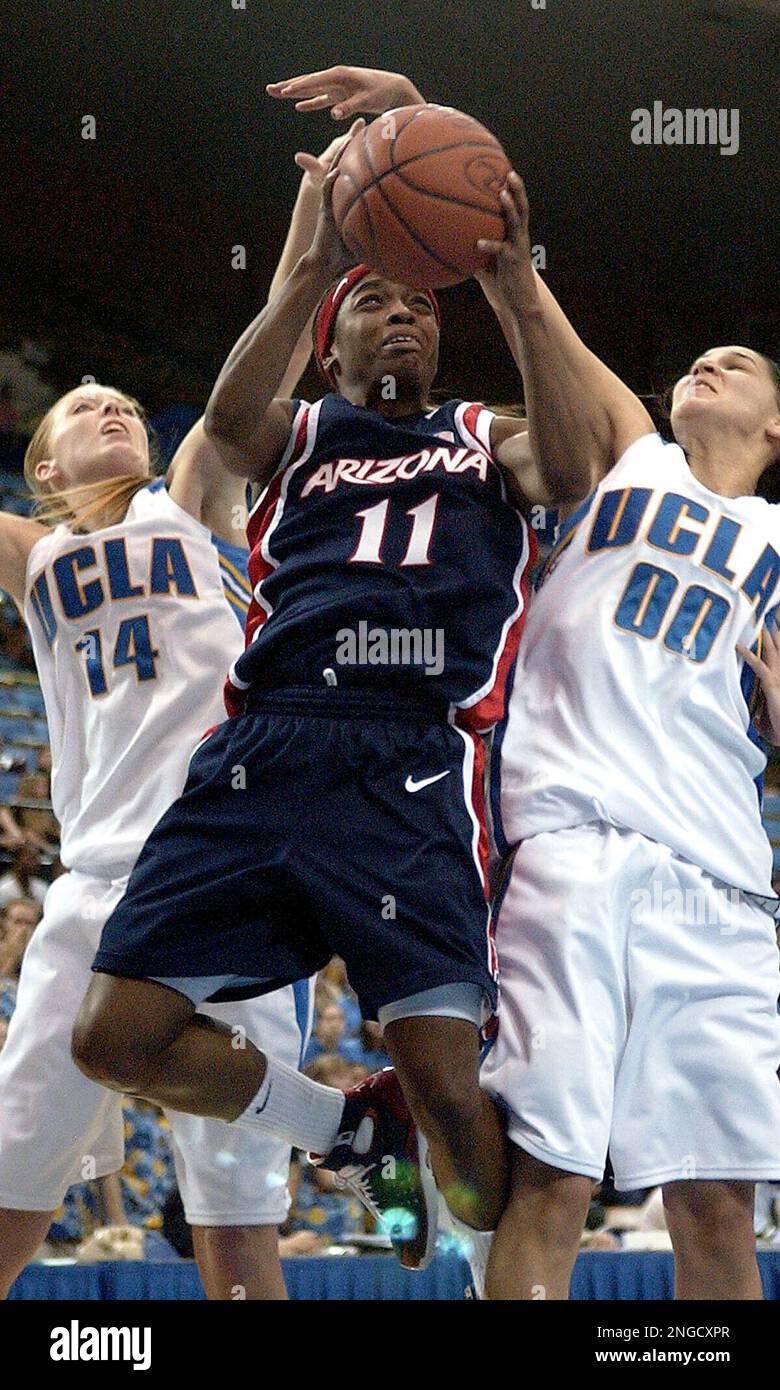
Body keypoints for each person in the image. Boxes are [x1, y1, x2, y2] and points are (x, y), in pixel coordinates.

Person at [71, 81, 591, 1271]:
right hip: (265, 750)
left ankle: (479, 1260)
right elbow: (227, 409)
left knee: (455, 1101)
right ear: (333, 339)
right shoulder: (291, 435)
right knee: (116, 1036)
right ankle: (349, 1134)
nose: (403, 314)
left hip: (414, 758)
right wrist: (310, 266)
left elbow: (570, 467)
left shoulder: (483, 431)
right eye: (377, 302)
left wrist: (510, 289)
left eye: (420, 304)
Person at [472, 172, 780, 1300]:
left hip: (723, 879)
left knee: (718, 1207)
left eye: (737, 365)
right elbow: (539, 328)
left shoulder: (779, 540)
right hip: (577, 838)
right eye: (699, 359)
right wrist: (510, 265)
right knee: (547, 1179)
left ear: (777, 424)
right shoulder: (632, 452)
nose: (709, 364)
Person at [0, 383, 314, 1302]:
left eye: (129, 405)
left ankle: (339, 1130)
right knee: (13, 1176)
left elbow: (258, 366)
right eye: (84, 405)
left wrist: (320, 248)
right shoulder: (35, 553)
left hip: (228, 873)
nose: (115, 409)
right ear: (44, 465)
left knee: (235, 1219)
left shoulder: (189, 499)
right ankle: (341, 1126)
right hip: (95, 887)